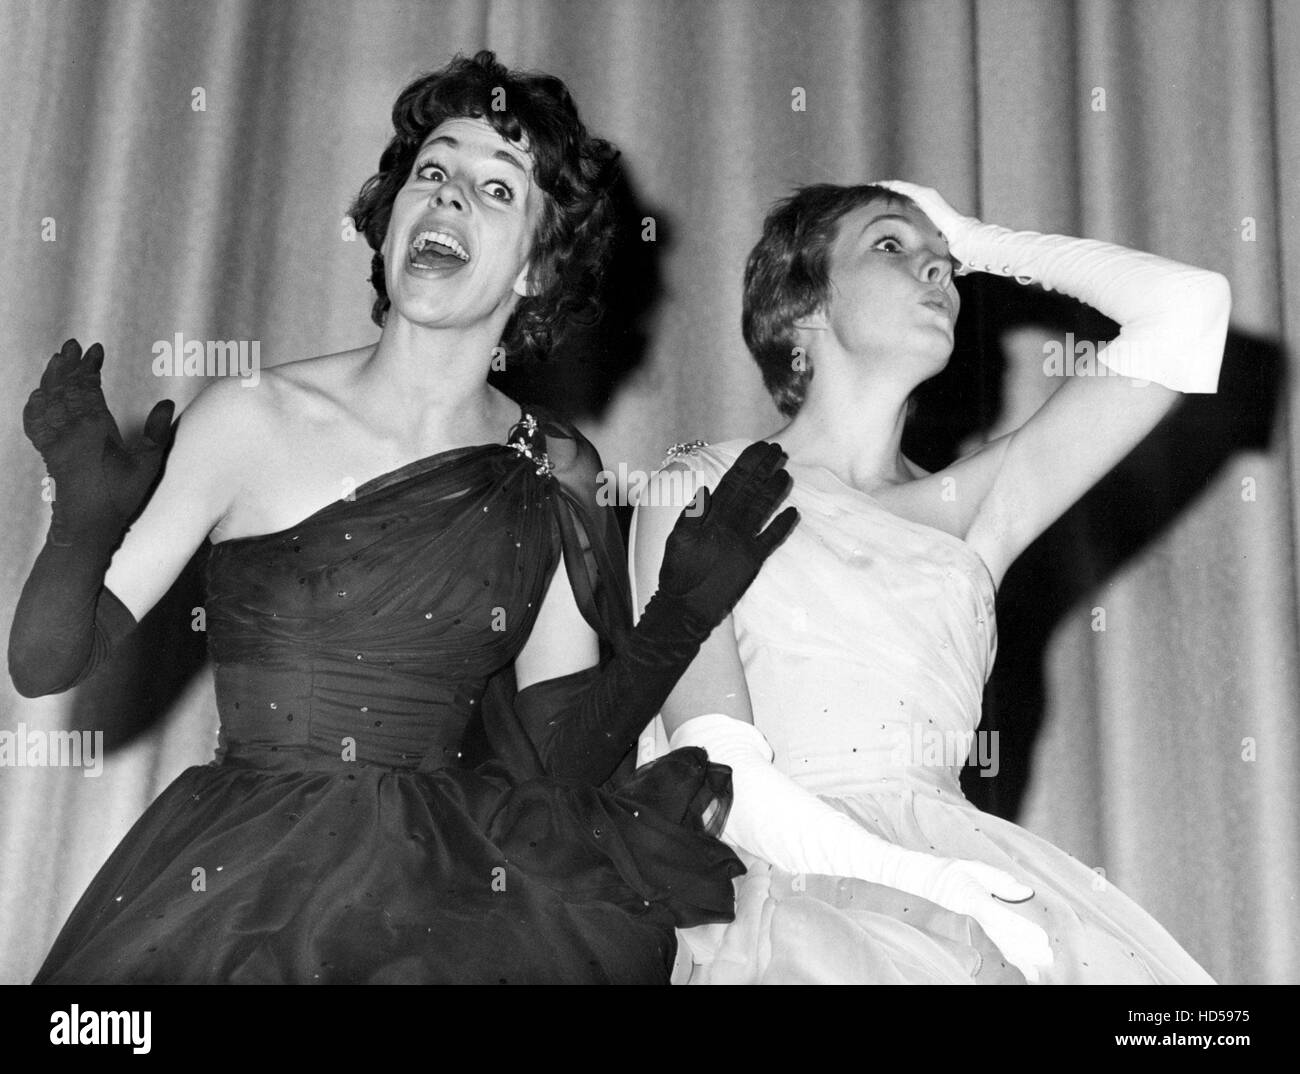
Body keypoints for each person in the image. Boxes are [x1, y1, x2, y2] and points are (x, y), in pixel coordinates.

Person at [10, 51, 798, 985]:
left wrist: (677, 623)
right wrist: (83, 518)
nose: (450, 196)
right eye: (433, 170)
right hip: (232, 888)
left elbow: (560, 765)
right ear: (390, 221)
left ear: (540, 269)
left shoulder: (552, 469)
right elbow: (45, 662)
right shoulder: (250, 416)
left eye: (496, 188)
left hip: (453, 901)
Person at [632, 179, 1228, 984]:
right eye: (891, 246)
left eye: (944, 265)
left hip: (961, 891)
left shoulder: (973, 507)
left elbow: (1190, 310)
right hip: (773, 897)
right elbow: (716, 766)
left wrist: (984, 243)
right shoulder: (698, 487)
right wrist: (926, 882)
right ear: (803, 303)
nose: (936, 273)